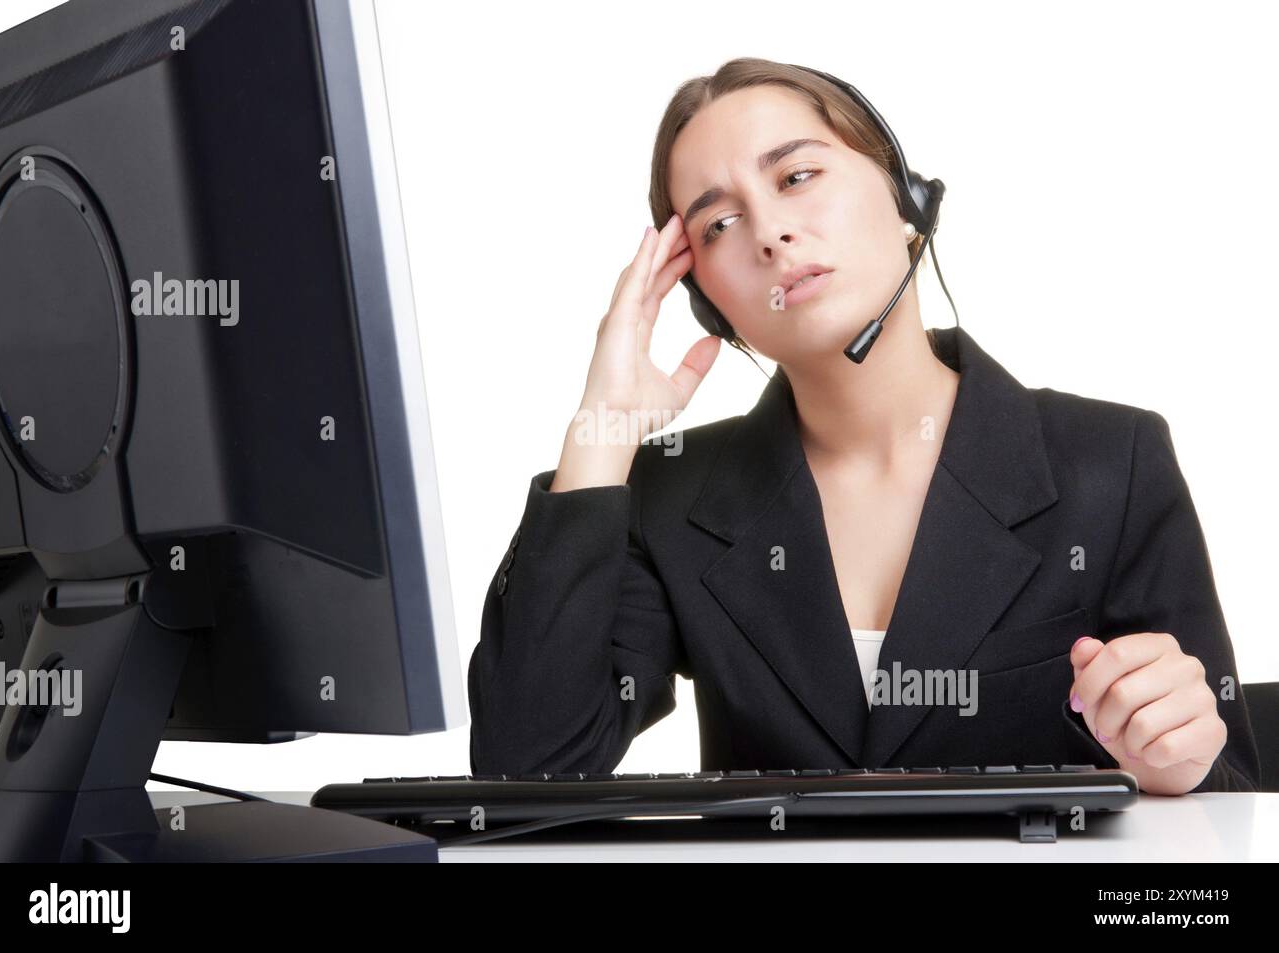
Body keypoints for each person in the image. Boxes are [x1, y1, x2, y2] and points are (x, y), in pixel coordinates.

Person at [467, 57, 1262, 794]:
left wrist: (1179, 761)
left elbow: (1237, 803)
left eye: (798, 175)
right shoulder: (672, 496)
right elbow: (525, 764)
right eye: (716, 225)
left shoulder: (1111, 463)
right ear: (706, 299)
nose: (771, 232)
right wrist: (601, 432)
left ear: (908, 203)